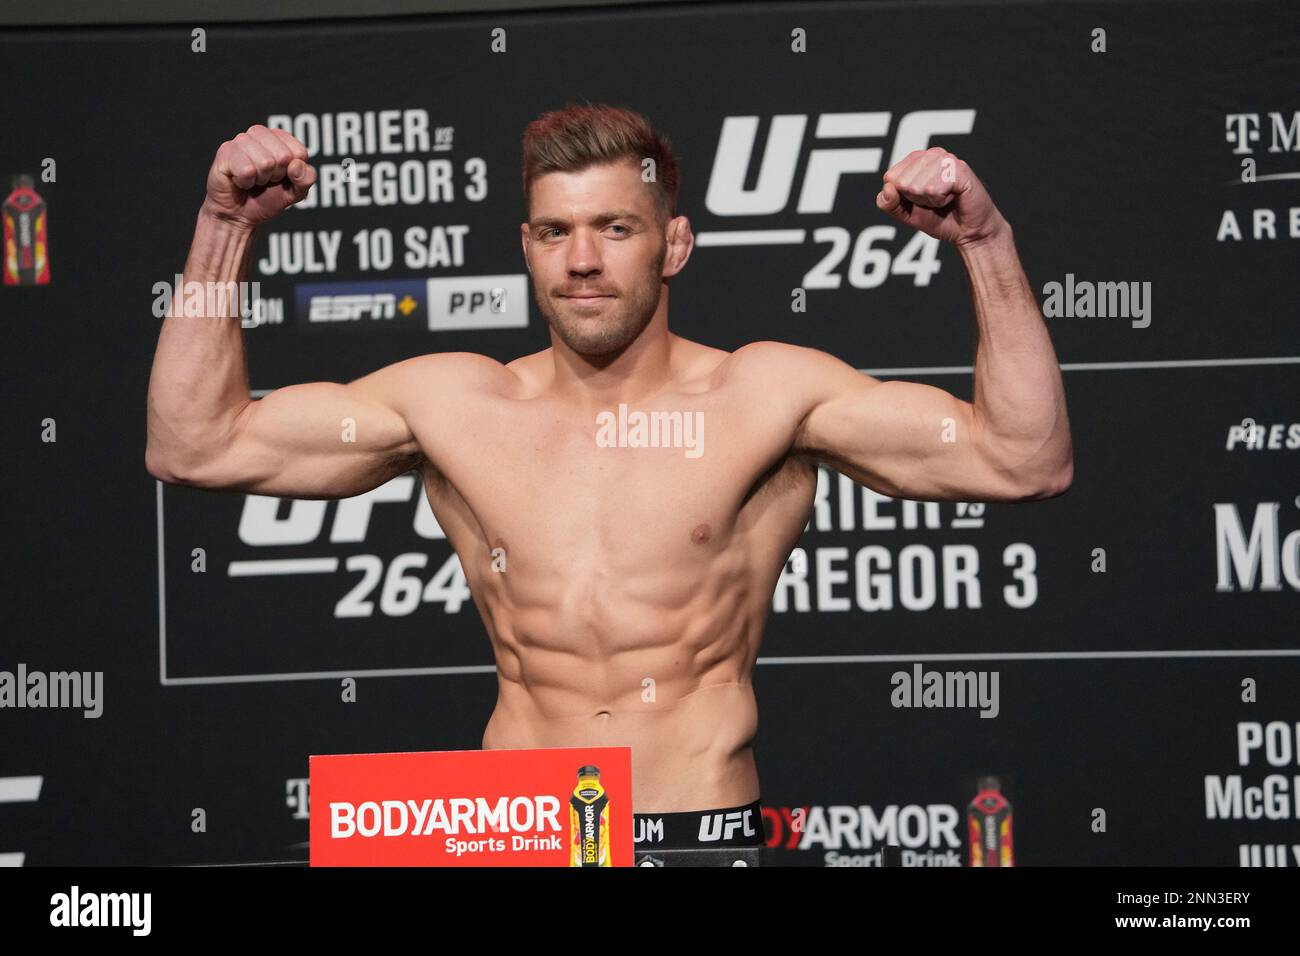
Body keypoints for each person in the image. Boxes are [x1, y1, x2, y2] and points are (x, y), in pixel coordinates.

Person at [146, 104, 1071, 857]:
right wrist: (224, 229)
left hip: (695, 831)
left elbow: (1022, 458)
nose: (581, 259)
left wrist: (984, 244)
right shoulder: (456, 405)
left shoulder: (764, 396)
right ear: (527, 245)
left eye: (613, 228)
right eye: (555, 232)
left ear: (673, 245)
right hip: (516, 834)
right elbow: (194, 443)